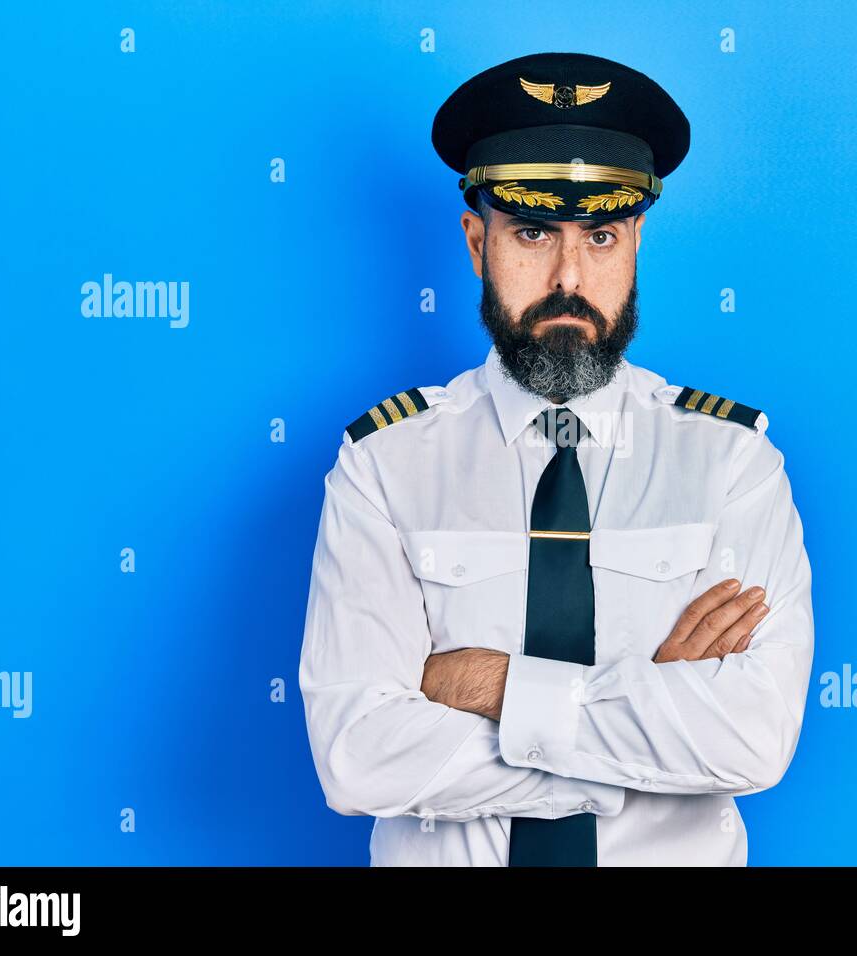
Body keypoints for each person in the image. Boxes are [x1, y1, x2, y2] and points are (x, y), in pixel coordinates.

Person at [298, 51, 815, 866]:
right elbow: (357, 756)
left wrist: (494, 686)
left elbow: (751, 740)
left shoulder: (731, 464)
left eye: (601, 235)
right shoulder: (382, 466)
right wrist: (644, 720)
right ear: (477, 243)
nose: (569, 278)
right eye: (533, 232)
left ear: (636, 241)